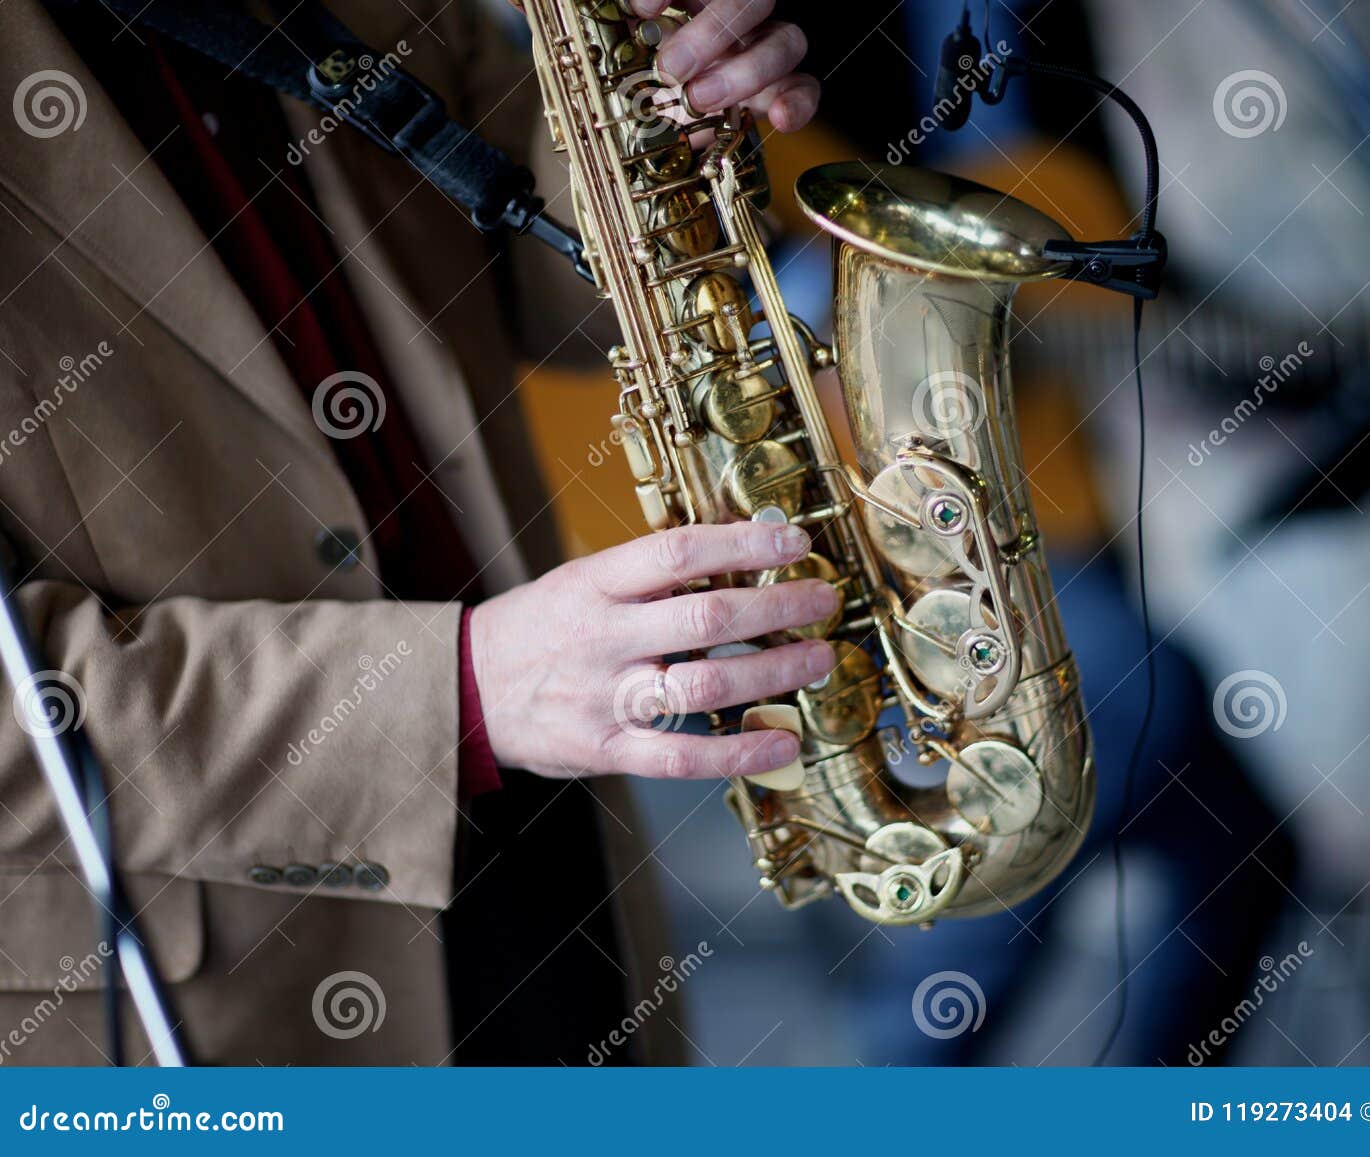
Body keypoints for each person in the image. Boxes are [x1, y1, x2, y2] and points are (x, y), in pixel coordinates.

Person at [0, 0, 821, 1065]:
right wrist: (455, 695)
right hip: (210, 985)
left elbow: (534, 271)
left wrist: (669, 125)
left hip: (553, 841)